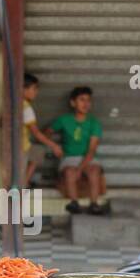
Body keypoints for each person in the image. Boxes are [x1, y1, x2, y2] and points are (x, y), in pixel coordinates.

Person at [51, 85, 108, 215]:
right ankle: (74, 203)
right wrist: (53, 145)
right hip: (69, 158)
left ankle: (94, 204)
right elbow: (46, 132)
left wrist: (80, 169)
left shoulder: (94, 123)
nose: (86, 104)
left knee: (94, 170)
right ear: (73, 103)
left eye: (88, 100)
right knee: (70, 172)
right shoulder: (64, 120)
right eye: (82, 100)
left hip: (89, 158)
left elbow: (92, 150)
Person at [21, 72, 61, 187]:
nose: (36, 92)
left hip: (20, 145)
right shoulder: (26, 108)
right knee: (36, 152)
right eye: (34, 88)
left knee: (38, 151)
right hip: (22, 147)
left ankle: (25, 181)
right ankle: (23, 183)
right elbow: (36, 133)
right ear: (23, 89)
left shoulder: (16, 104)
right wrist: (54, 145)